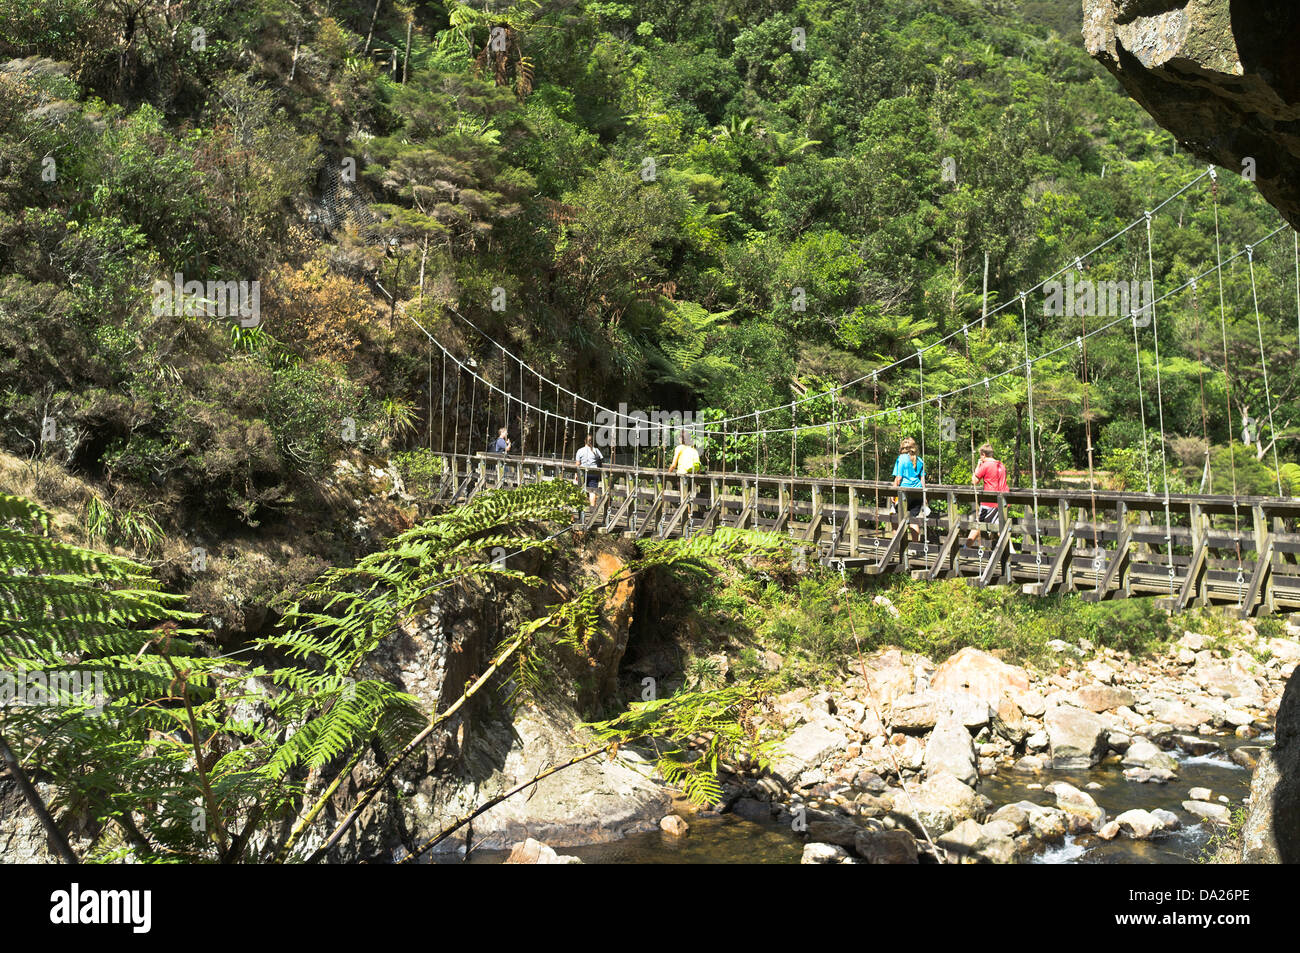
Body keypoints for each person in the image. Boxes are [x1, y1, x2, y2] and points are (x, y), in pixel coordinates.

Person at [968, 442, 1008, 547]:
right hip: (1003, 501)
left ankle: (965, 548)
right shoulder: (1001, 465)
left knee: (978, 525)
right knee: (1001, 529)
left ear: (983, 455)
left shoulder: (986, 465)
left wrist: (978, 465)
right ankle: (1011, 553)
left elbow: (974, 481)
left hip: (989, 501)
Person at [890, 437, 926, 540]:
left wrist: (892, 493)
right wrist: (924, 495)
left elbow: (898, 477)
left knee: (894, 517)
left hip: (904, 493)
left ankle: (897, 543)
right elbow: (922, 479)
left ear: (902, 448)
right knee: (913, 520)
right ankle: (915, 546)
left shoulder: (901, 459)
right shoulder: (920, 460)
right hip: (917, 492)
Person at [575, 433, 604, 507]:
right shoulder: (596, 450)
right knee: (592, 491)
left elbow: (578, 464)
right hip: (594, 473)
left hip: (582, 473)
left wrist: (576, 474)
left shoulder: (580, 451)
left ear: (585, 441)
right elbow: (601, 460)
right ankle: (592, 508)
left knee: (581, 489)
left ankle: (581, 507)